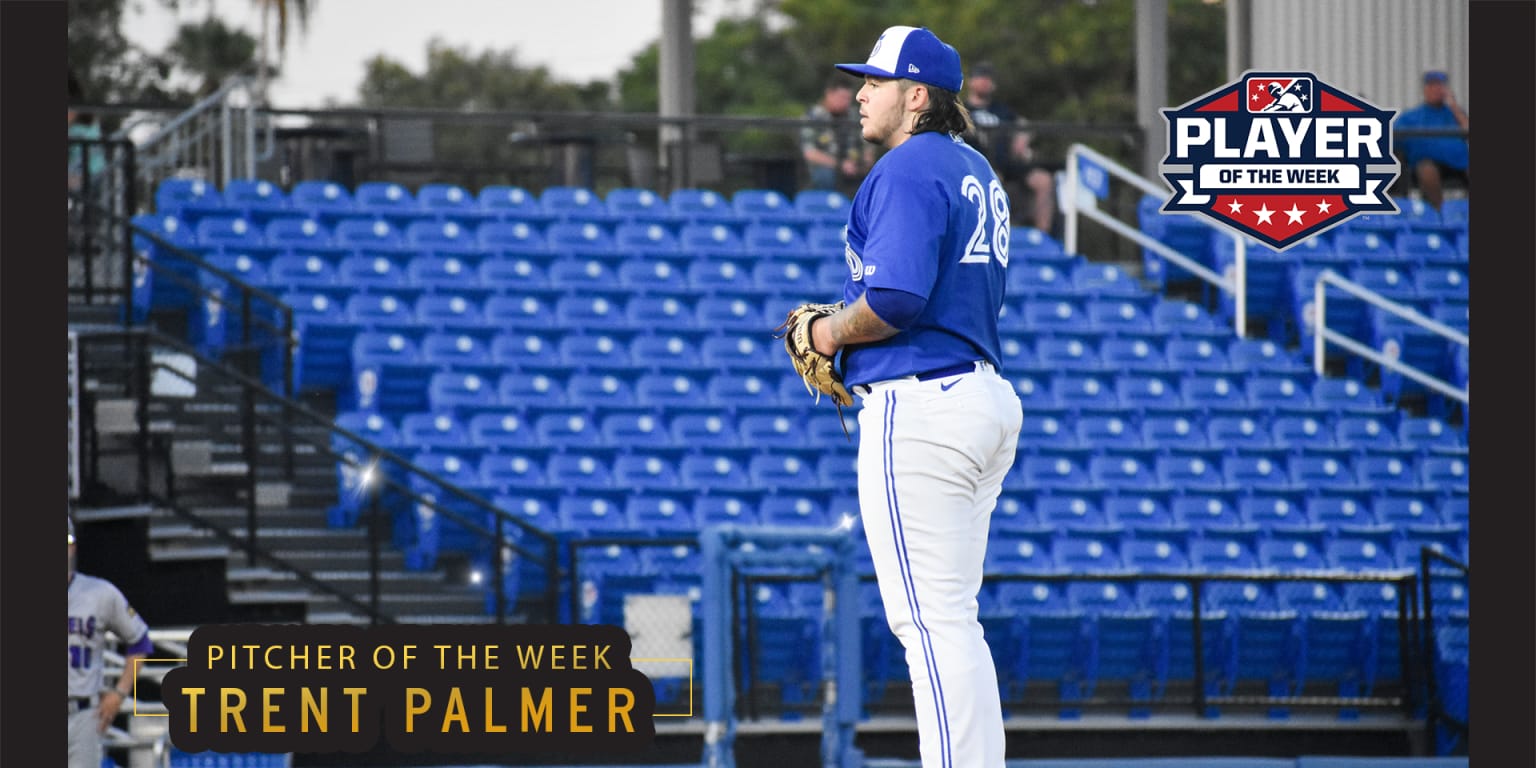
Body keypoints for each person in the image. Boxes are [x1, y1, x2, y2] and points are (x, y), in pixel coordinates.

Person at [806, 25, 1023, 768]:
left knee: (928, 625)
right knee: (954, 621)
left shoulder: (906, 167)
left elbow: (895, 298)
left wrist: (832, 331)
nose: (860, 92)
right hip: (982, 396)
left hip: (922, 402)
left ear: (917, 95)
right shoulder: (975, 168)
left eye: (876, 81)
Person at [69, 513, 153, 768]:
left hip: (81, 712)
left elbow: (140, 641)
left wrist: (119, 692)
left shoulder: (99, 593)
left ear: (73, 546)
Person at [963, 61, 1056, 235]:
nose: (984, 82)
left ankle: (1042, 238)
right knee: (993, 180)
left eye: (988, 79)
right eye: (980, 78)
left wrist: (1022, 139)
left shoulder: (1002, 110)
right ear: (971, 82)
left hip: (1007, 163)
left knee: (1044, 180)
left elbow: (1024, 125)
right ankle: (992, 233)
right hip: (978, 166)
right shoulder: (964, 110)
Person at [1394, 69, 1469, 212]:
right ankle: (1440, 214)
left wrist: (1454, 105)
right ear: (1425, 89)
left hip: (1459, 163)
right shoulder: (1411, 116)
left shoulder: (1455, 114)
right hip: (1427, 166)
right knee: (1427, 170)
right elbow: (1393, 139)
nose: (1437, 89)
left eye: (1440, 85)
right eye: (1432, 85)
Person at [801, 78, 872, 193]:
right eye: (841, 98)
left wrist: (864, 161)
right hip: (826, 169)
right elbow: (810, 153)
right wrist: (840, 165)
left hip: (855, 168)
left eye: (848, 98)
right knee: (824, 176)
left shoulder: (854, 116)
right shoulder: (814, 116)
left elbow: (867, 145)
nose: (845, 102)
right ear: (829, 94)